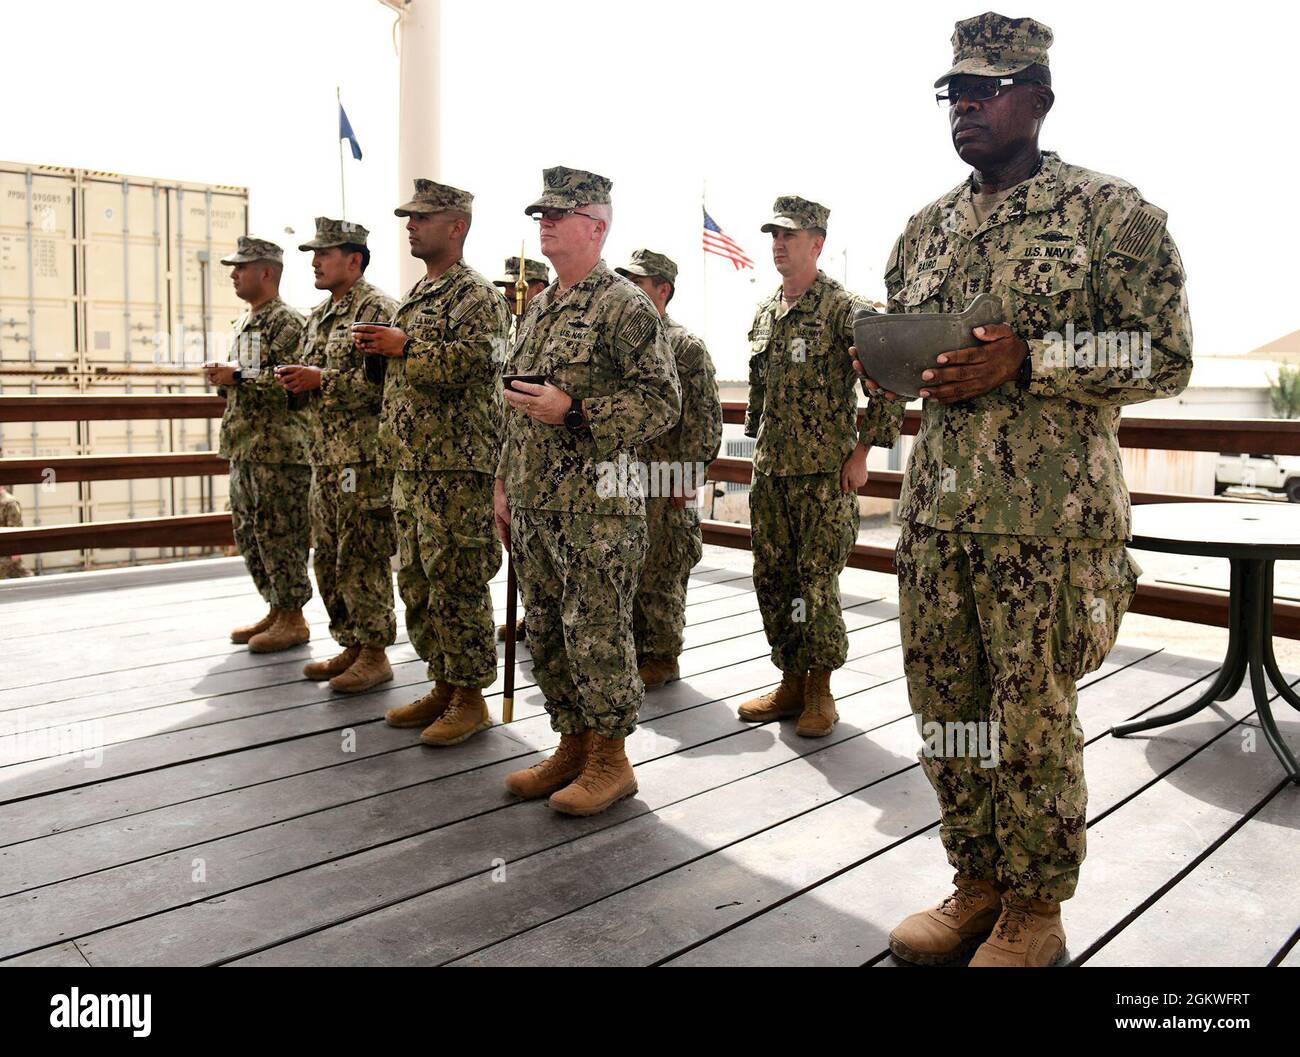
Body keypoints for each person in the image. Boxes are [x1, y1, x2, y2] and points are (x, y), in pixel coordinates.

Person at [862, 12, 1193, 967]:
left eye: (987, 88)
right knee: (949, 707)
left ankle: (1036, 910)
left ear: (1038, 99)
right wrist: (883, 362)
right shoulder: (923, 228)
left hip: (1045, 526)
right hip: (935, 517)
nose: (966, 106)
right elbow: (919, 351)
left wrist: (1031, 359)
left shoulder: (1111, 214)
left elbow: (1164, 354)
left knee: (1030, 715)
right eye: (954, 92)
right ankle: (977, 883)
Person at [496, 166, 681, 816]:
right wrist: (502, 485)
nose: (544, 222)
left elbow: (662, 402)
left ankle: (611, 758)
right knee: (545, 629)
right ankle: (572, 744)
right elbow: (514, 403)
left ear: (597, 227)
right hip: (535, 503)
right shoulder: (540, 306)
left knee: (595, 631)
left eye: (560, 213)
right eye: (541, 213)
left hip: (597, 508)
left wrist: (576, 410)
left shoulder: (623, 305)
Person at [358, 180, 511, 746]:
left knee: (456, 580)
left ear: (458, 227)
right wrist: (379, 354)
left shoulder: (477, 296)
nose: (410, 226)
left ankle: (470, 696)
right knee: (418, 580)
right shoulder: (417, 294)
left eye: (423, 218)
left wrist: (405, 348)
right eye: (409, 217)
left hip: (455, 467)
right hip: (410, 464)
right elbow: (400, 379)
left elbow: (480, 366)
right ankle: (444, 682)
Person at [736, 197, 892, 736]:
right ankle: (791, 681)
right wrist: (756, 437)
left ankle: (820, 690)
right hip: (771, 473)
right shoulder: (766, 311)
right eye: (774, 235)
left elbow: (889, 384)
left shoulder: (847, 311)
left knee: (814, 584)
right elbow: (760, 391)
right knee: (773, 580)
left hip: (824, 474)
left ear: (817, 244)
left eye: (790, 236)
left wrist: (863, 452)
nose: (779, 244)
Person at [277, 217, 399, 693]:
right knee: (327, 554)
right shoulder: (318, 315)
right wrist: (294, 379)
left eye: (324, 254)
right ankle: (349, 641)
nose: (315, 262)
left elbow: (384, 386)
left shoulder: (377, 309)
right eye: (313, 254)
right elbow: (311, 376)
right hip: (323, 457)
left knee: (361, 553)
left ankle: (374, 651)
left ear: (354, 259)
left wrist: (321, 379)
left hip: (360, 461)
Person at [614, 248, 722, 688]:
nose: (631, 290)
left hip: (664, 476)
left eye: (640, 282)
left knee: (663, 567)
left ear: (664, 290)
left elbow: (706, 416)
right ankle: (631, 648)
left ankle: (661, 655)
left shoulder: (685, 346)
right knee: (626, 564)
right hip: (622, 476)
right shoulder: (624, 340)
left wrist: (690, 473)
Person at [205, 237, 312, 653]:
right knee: (250, 533)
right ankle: (276, 608)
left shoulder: (286, 322)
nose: (233, 274)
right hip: (246, 447)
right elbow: (249, 377)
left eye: (241, 267)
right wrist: (227, 379)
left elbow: (293, 383)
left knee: (280, 533)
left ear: (266, 272)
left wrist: (238, 378)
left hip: (279, 451)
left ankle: (293, 617)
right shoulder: (246, 322)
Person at [492, 254, 551, 645]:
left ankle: (541, 617)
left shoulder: (551, 328)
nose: (516, 295)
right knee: (521, 549)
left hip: (547, 463)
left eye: (523, 287)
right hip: (510, 454)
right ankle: (531, 614)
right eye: (510, 287)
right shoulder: (511, 336)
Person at [0, 478, 31, 579]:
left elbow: (15, 528)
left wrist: (15, 551)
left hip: (7, 553)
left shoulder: (9, 502)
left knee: (23, 579)